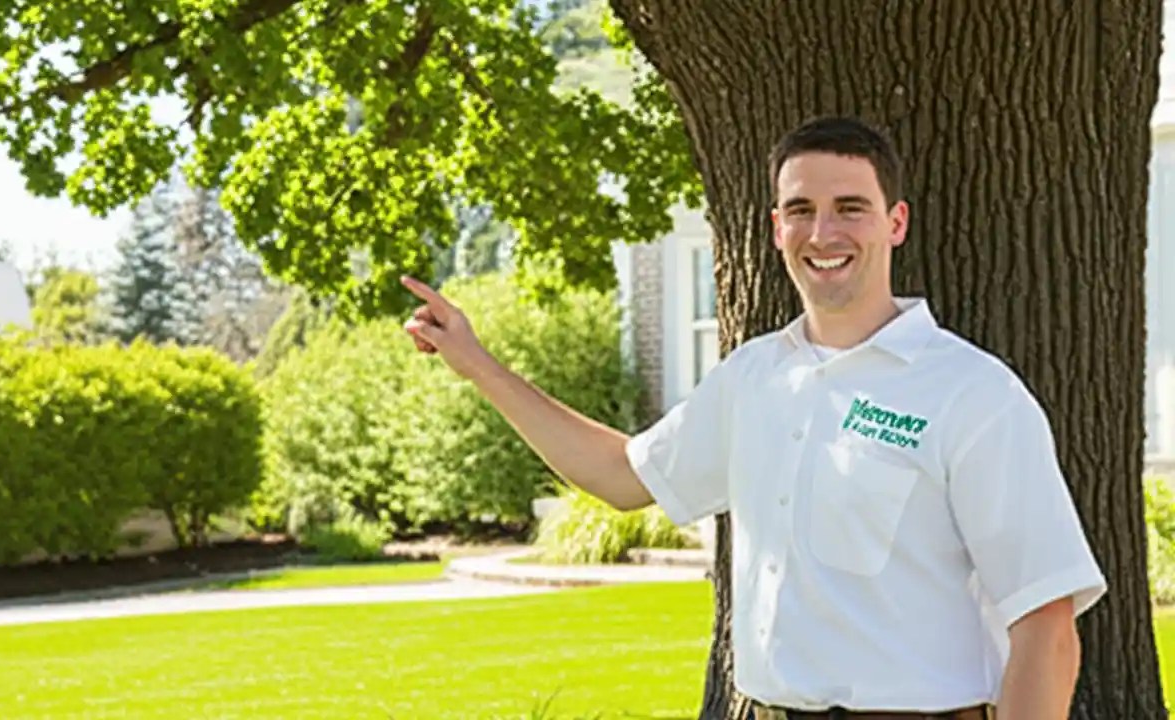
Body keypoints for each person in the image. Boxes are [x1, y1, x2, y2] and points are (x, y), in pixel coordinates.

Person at [400, 116, 1105, 720]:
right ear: (776, 228)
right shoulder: (754, 378)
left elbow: (1045, 621)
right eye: (800, 209)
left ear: (896, 222)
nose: (822, 232)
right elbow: (622, 476)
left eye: (850, 207)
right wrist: (478, 366)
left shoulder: (973, 394)